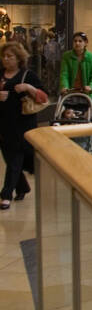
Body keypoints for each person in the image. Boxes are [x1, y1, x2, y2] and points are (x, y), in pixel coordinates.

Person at [0, 41, 48, 210]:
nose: (6, 59)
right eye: (4, 56)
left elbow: (43, 97)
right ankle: (22, 187)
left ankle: (6, 195)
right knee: (10, 159)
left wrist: (28, 88)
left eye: (10, 56)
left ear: (18, 58)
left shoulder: (28, 75)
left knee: (15, 159)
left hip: (23, 125)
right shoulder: (1, 74)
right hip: (4, 125)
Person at [59, 31, 92, 97]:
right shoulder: (66, 56)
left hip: (87, 94)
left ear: (86, 43)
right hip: (70, 93)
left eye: (80, 41)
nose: (77, 43)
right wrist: (64, 86)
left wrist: (91, 86)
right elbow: (64, 74)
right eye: (75, 41)